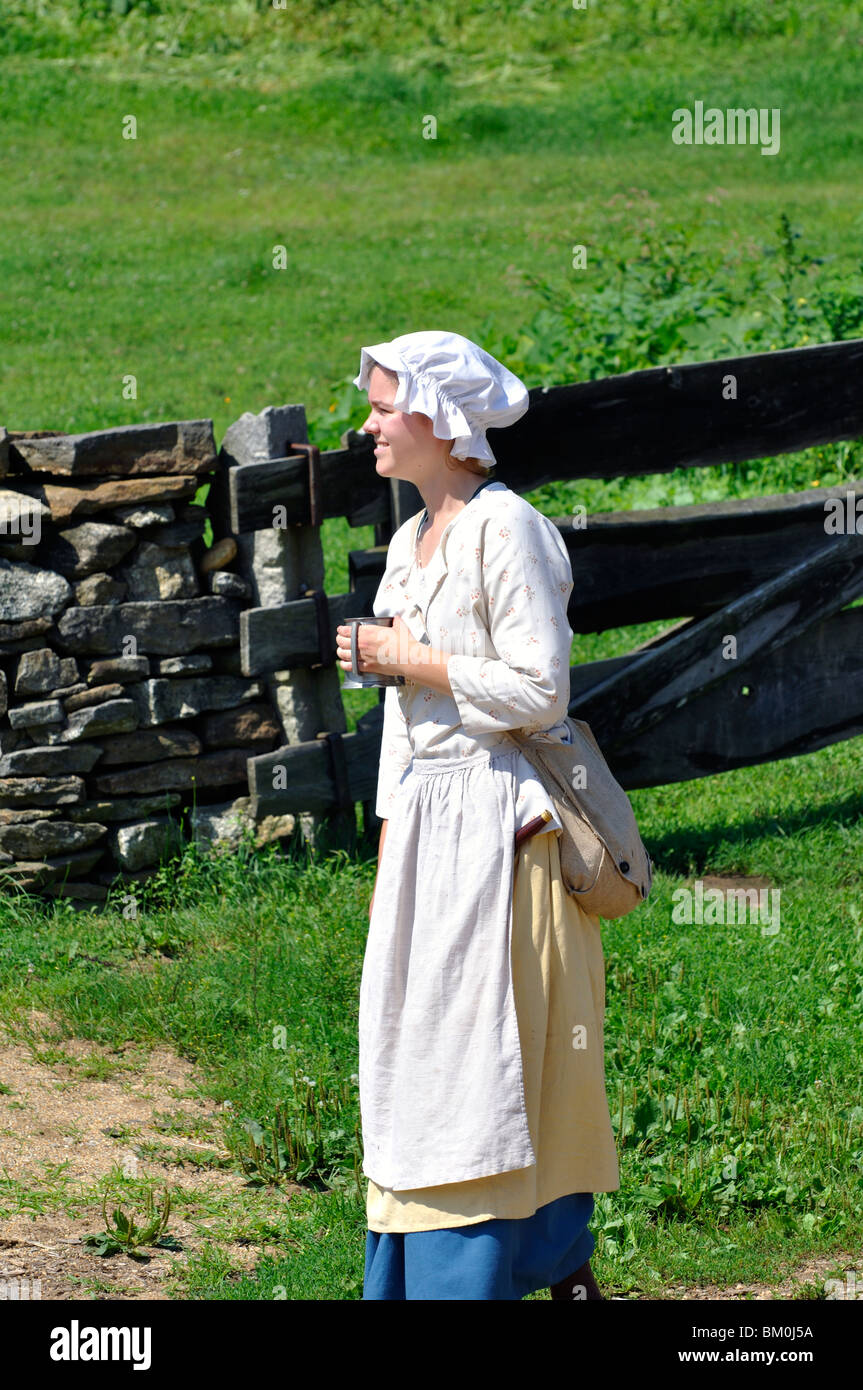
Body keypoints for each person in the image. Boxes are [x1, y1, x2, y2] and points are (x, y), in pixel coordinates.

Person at [335, 330, 620, 1301]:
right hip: (424, 843)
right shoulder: (410, 549)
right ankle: (447, 1276)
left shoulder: (509, 530)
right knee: (423, 1069)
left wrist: (403, 658)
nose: (365, 424)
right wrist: (386, 854)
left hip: (506, 842)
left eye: (382, 406)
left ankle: (511, 1270)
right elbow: (400, 731)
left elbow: (540, 689)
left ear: (440, 419)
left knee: (494, 1075)